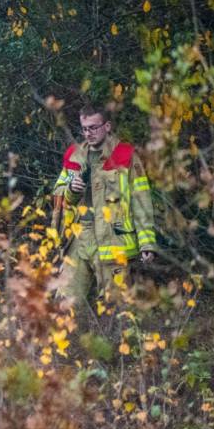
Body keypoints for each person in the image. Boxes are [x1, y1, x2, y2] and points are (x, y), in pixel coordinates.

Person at [53, 104, 158, 304]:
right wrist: (72, 192)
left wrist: (147, 243)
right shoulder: (74, 156)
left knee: (117, 308)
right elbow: (59, 197)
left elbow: (141, 201)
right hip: (79, 240)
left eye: (93, 127)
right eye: (84, 128)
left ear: (107, 126)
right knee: (64, 306)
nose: (88, 133)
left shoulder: (125, 155)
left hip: (113, 242)